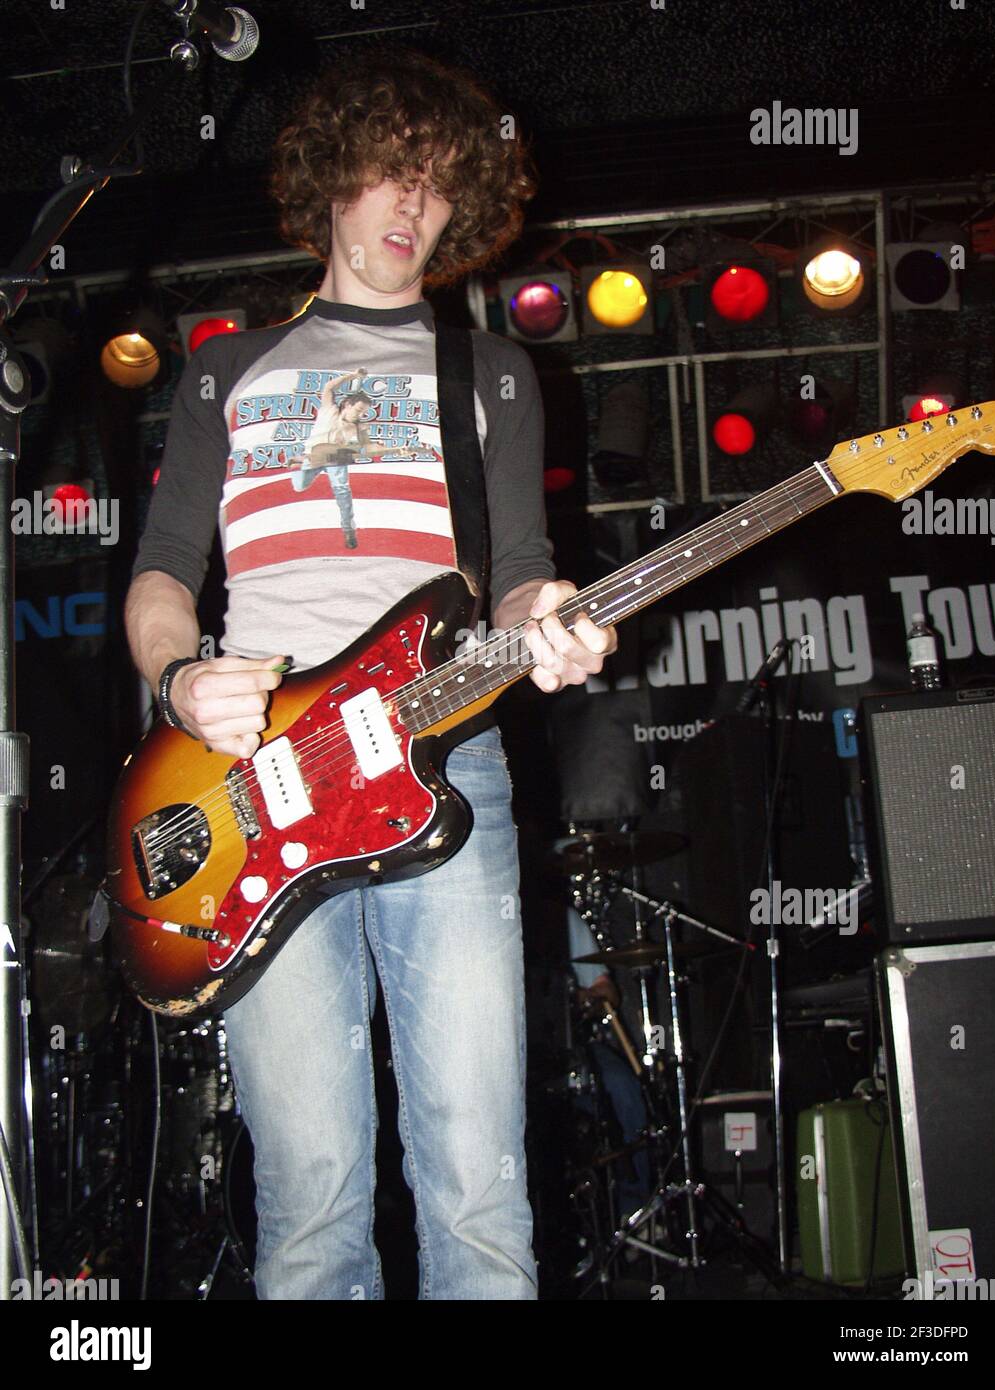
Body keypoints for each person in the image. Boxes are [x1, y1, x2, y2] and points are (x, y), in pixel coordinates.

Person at [125, 49, 616, 1300]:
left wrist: (545, 618)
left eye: (444, 187)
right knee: (311, 1200)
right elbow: (161, 577)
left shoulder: (492, 374)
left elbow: (514, 573)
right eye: (393, 174)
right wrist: (182, 681)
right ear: (333, 180)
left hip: (442, 776)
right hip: (258, 794)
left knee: (475, 1185)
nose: (414, 207)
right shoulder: (226, 372)